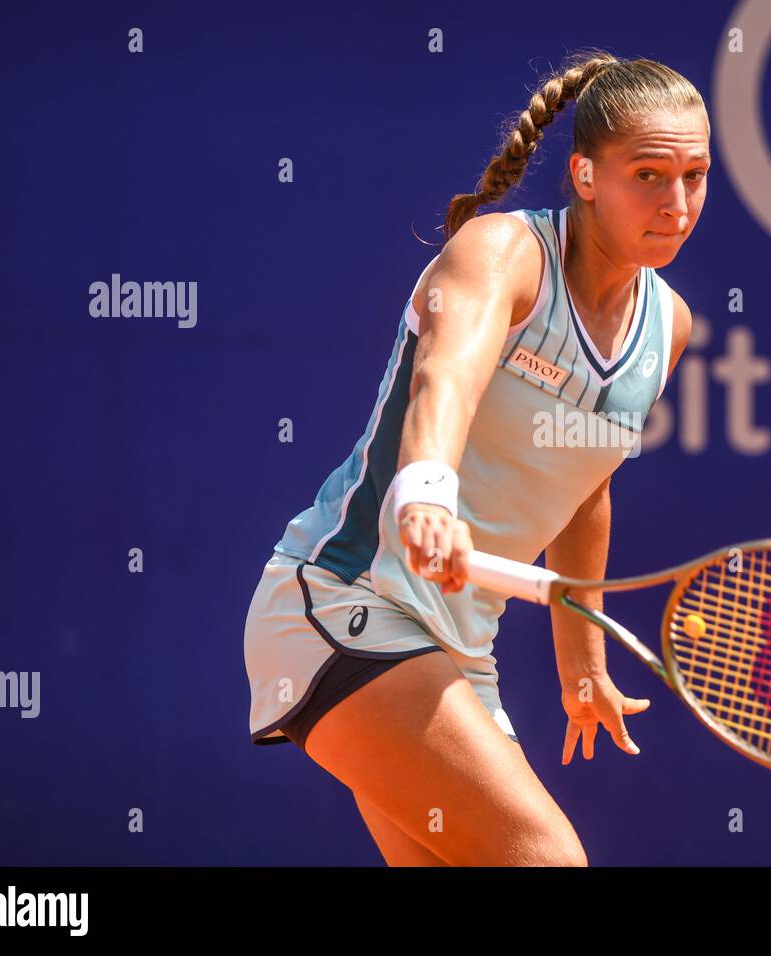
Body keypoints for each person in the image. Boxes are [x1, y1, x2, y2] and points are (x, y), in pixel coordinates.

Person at [244, 48, 709, 866]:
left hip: (460, 651)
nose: (677, 203)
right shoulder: (504, 255)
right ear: (586, 175)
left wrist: (583, 664)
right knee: (548, 859)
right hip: (345, 603)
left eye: (696, 177)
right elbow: (444, 382)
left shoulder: (668, 328)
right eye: (649, 175)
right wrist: (425, 493)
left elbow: (586, 490)